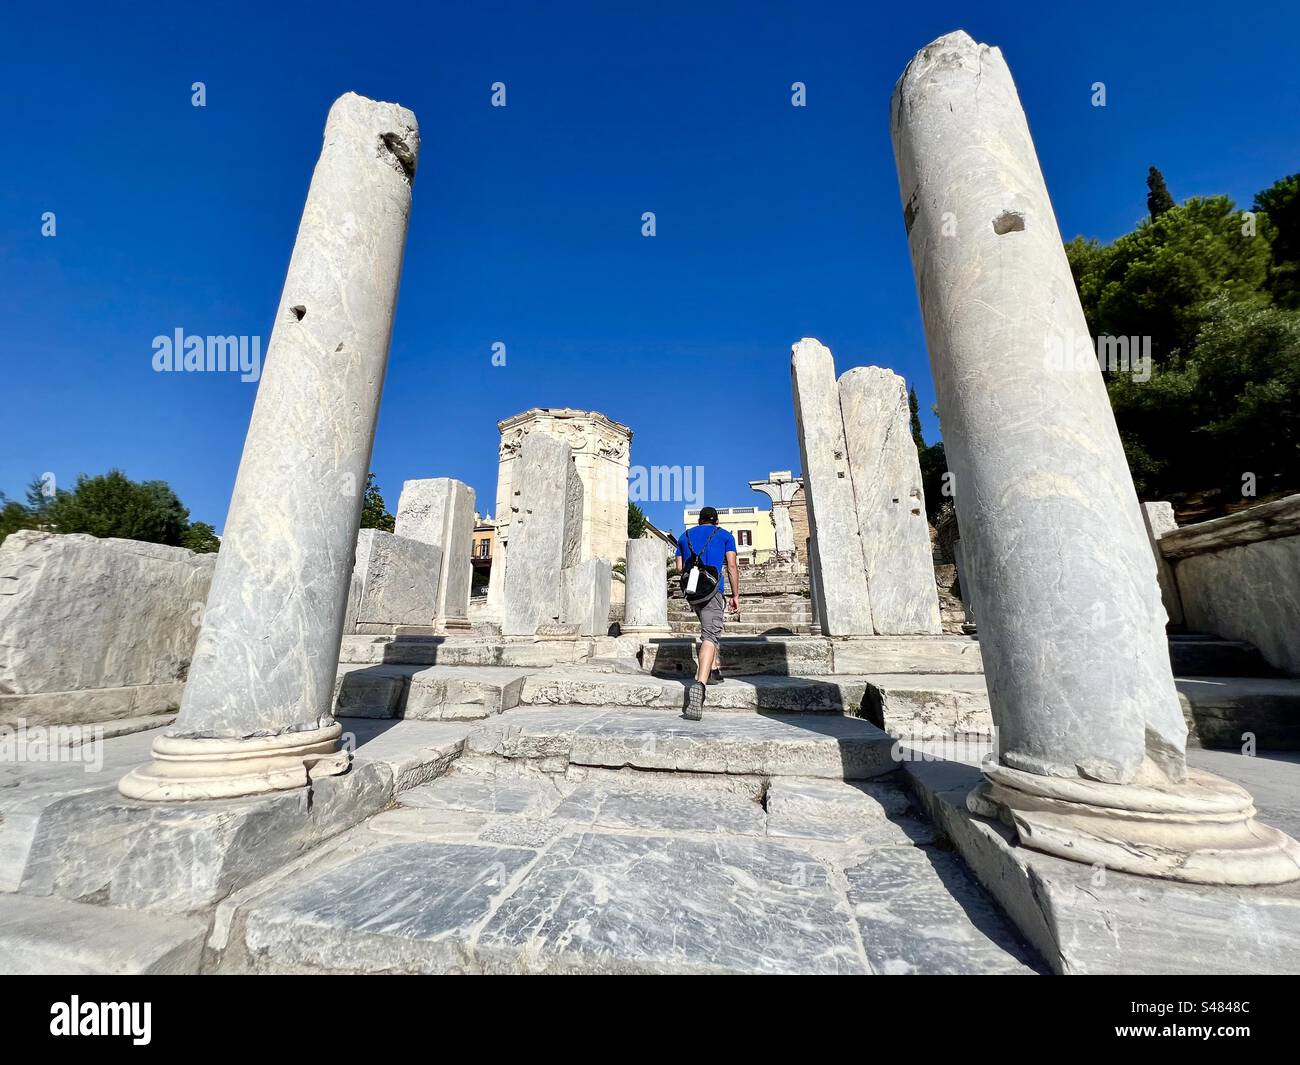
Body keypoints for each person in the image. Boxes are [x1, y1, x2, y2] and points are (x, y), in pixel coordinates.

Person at [674, 506, 739, 720]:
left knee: (708, 629)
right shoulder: (724, 536)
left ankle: (714, 669)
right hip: (713, 591)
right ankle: (700, 685)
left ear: (700, 520)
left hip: (693, 593)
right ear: (716, 521)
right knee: (710, 635)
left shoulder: (685, 536)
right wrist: (735, 595)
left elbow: (679, 568)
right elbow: (731, 565)